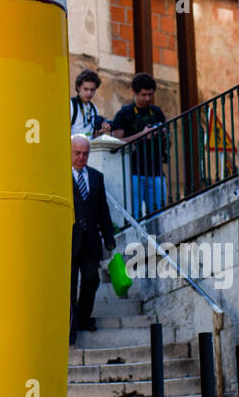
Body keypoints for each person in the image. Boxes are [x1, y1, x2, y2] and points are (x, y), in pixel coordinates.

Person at [70, 135, 116, 344]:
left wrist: (109, 238)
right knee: (69, 285)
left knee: (91, 280)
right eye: (77, 153)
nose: (81, 157)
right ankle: (70, 326)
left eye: (85, 154)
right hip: (69, 242)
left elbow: (103, 210)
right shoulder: (59, 176)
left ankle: (83, 317)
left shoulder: (96, 177)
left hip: (91, 242)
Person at [111, 72, 168, 219]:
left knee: (159, 216)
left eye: (150, 94)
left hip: (156, 171)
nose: (147, 98)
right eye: (143, 95)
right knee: (135, 216)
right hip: (133, 172)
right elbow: (116, 143)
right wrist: (142, 135)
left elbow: (167, 138)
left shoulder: (156, 112)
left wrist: (161, 133)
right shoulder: (125, 113)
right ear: (134, 92)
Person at [69, 68, 113, 138]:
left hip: (90, 147)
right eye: (86, 89)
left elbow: (93, 136)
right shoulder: (71, 105)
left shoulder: (94, 108)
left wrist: (102, 131)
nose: (89, 93)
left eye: (92, 90)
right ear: (78, 87)